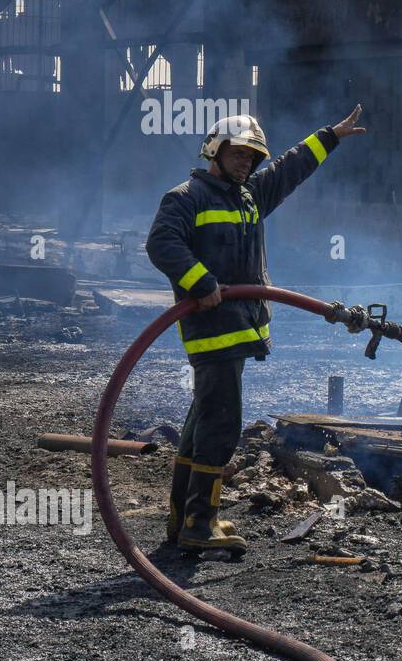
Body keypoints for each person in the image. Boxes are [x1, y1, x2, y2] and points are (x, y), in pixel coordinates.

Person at [146, 106, 367, 554]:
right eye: (238, 153)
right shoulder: (186, 197)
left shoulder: (247, 198)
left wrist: (330, 136)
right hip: (212, 331)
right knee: (221, 424)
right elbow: (162, 244)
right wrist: (201, 282)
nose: (247, 161)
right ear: (215, 149)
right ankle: (199, 525)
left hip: (238, 330)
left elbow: (289, 169)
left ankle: (184, 518)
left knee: (200, 422)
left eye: (253, 155)